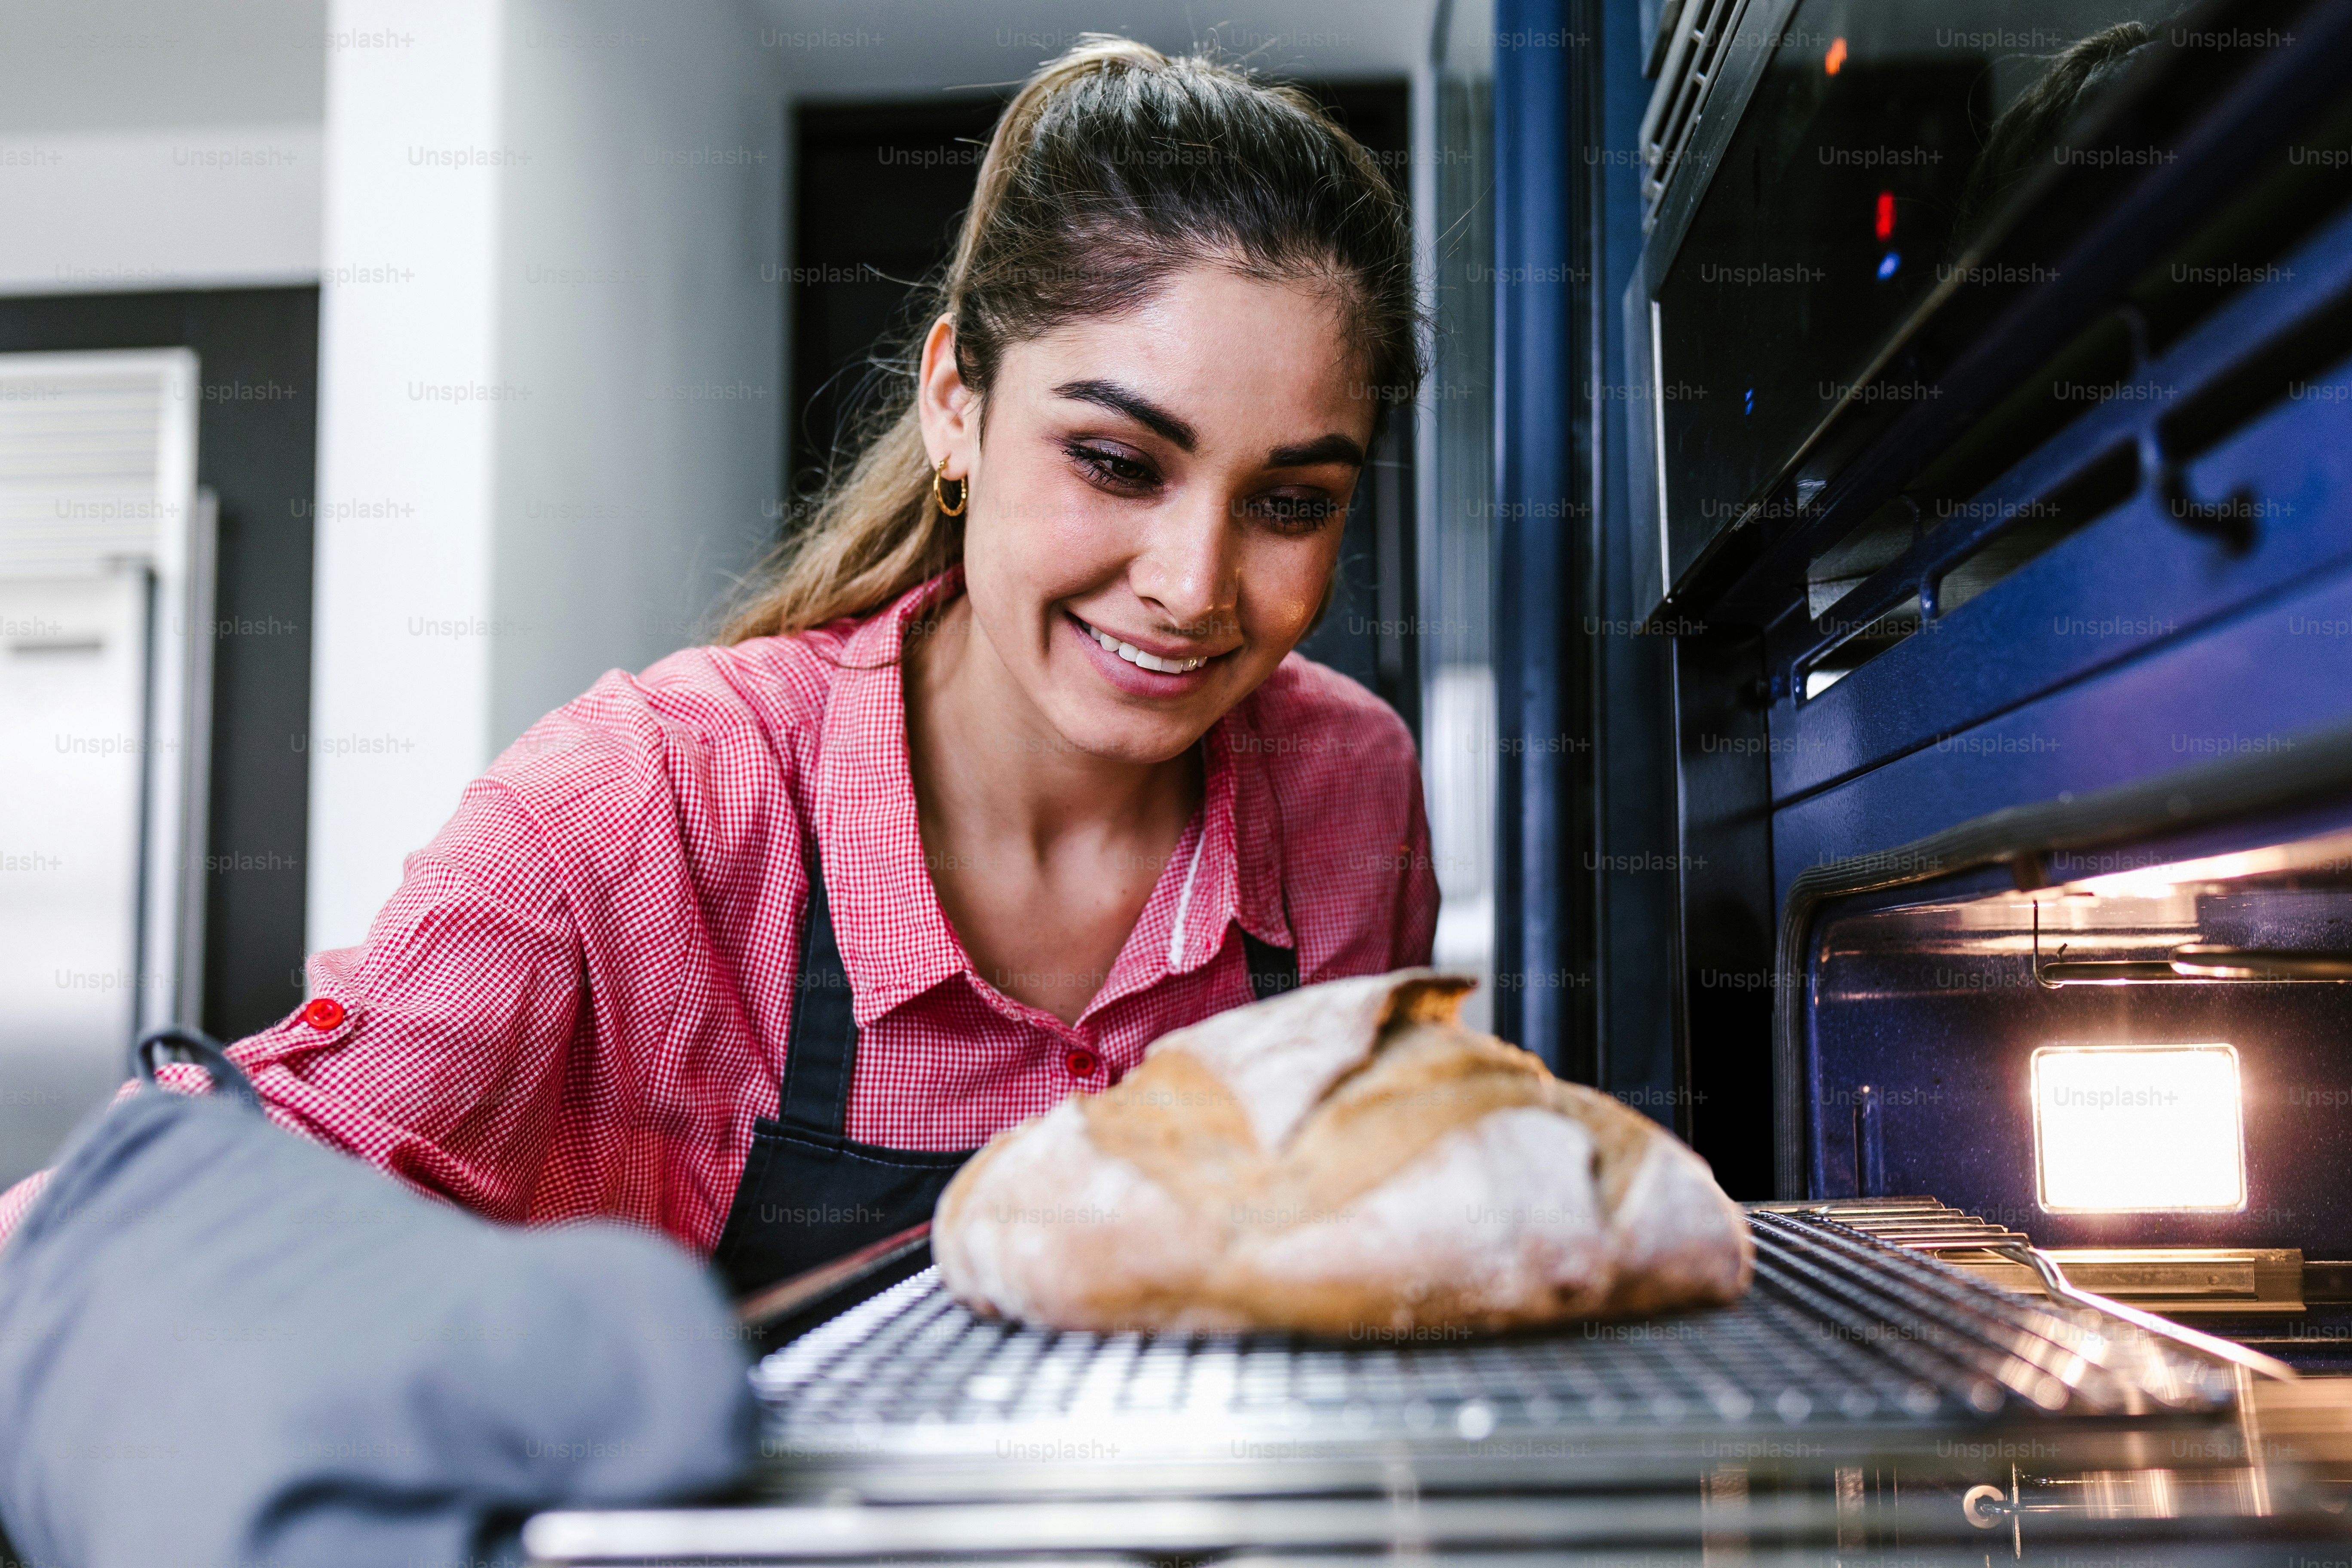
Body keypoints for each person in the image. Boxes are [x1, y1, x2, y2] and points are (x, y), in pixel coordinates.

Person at [0, 37, 1437, 1297]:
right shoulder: (650, 804)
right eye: (1118, 462)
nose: (1193, 585)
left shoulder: (1348, 792)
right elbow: (185, 1215)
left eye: (1292, 503)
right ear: (956, 402)